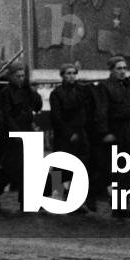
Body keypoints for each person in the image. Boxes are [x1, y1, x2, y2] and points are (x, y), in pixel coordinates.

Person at [96, 56, 130, 218]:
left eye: (124, 68)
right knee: (110, 171)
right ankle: (69, 193)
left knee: (127, 170)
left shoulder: (128, 86)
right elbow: (101, 111)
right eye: (119, 68)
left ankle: (120, 206)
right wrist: (105, 132)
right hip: (113, 130)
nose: (123, 71)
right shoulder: (104, 87)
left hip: (127, 130)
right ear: (111, 70)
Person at [0, 64, 43, 211]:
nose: (21, 79)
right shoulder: (6, 92)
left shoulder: (27, 92)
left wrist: (33, 91)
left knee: (29, 167)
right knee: (11, 167)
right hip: (14, 134)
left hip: (27, 129)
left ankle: (28, 200)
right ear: (11, 76)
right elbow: (7, 115)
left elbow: (37, 106)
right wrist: (16, 133)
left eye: (23, 76)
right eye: (18, 76)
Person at [49, 63, 92, 212]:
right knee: (60, 168)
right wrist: (68, 133)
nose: (71, 76)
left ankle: (74, 199)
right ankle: (51, 194)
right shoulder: (57, 93)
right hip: (64, 136)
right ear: (62, 75)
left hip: (80, 133)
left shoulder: (81, 91)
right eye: (68, 73)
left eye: (74, 73)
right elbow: (56, 117)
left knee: (81, 167)